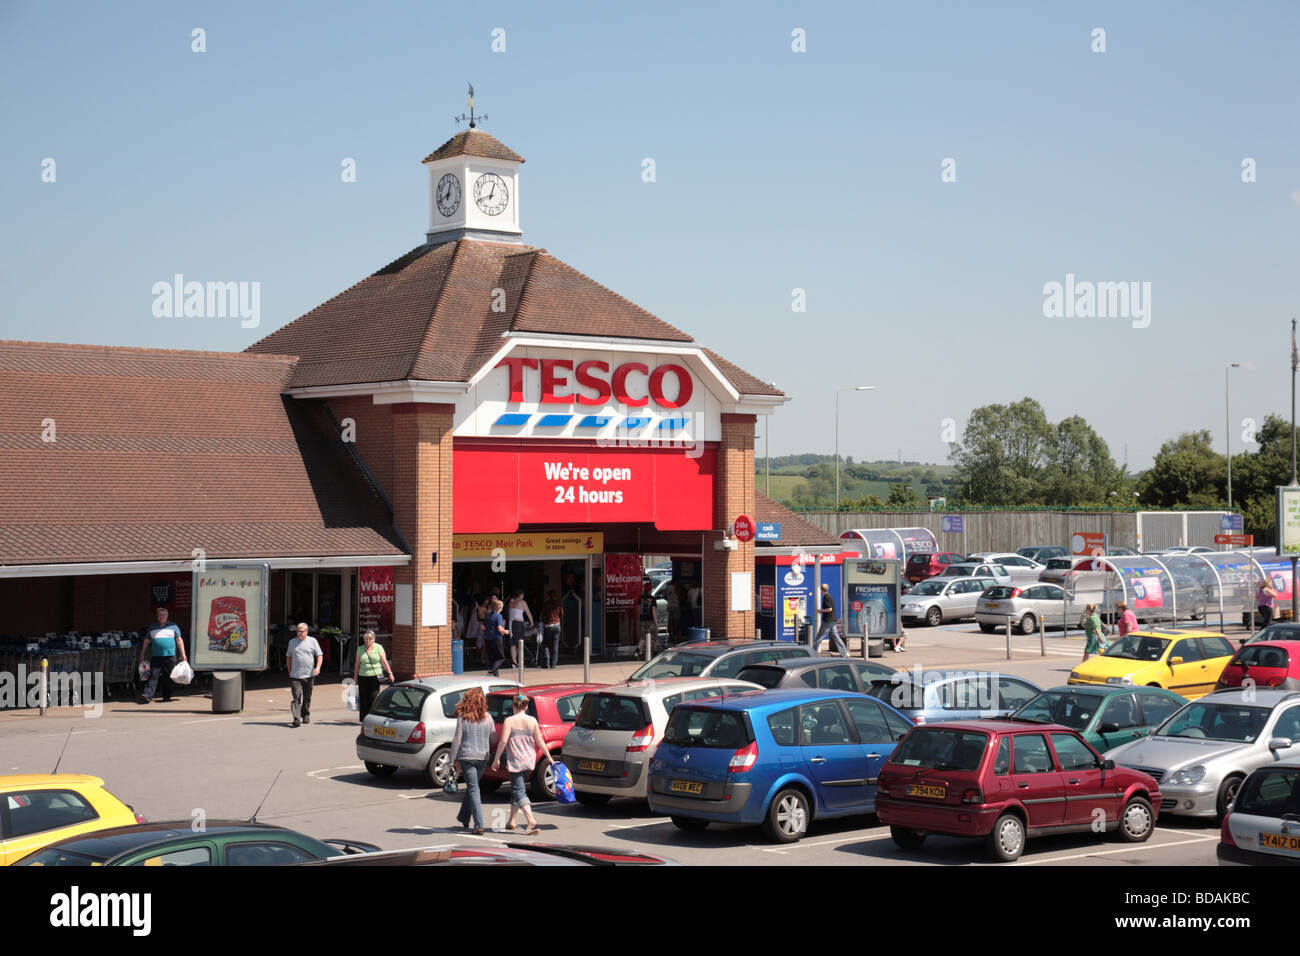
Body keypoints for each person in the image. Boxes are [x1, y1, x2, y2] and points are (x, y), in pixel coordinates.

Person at [490, 692, 555, 835]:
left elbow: (504, 741)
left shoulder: (510, 721)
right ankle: (511, 822)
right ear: (526, 707)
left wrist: (497, 759)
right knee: (516, 789)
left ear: (513, 705)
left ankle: (530, 819)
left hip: (516, 761)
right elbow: (539, 741)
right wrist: (549, 757)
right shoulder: (532, 721)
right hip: (529, 760)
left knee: (519, 791)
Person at [450, 687, 494, 835]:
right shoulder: (488, 717)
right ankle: (463, 816)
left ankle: (479, 825)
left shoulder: (463, 718)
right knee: (473, 788)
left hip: (467, 757)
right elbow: (494, 738)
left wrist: (451, 761)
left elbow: (457, 740)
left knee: (473, 789)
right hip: (482, 757)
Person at [137, 606, 188, 704]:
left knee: (168, 676)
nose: (161, 616)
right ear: (157, 616)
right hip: (156, 656)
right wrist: (142, 654)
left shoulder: (173, 626)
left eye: (163, 615)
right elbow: (146, 641)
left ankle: (166, 696)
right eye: (159, 615)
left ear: (167, 616)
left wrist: (183, 654)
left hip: (170, 655)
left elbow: (179, 640)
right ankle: (147, 696)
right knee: (153, 675)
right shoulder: (152, 627)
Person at [352, 629, 394, 722]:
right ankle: (364, 719)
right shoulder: (360, 649)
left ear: (374, 639)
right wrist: (355, 677)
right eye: (366, 639)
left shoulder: (378, 647)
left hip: (375, 676)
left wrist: (390, 673)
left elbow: (384, 661)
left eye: (370, 639)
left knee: (373, 697)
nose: (368, 641)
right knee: (363, 698)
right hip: (363, 676)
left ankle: (372, 718)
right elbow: (357, 664)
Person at [286, 622, 323, 727]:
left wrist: (318, 667)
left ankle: (305, 714)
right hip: (295, 676)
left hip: (309, 675)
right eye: (297, 631)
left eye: (301, 631)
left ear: (306, 632)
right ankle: (296, 718)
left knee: (307, 697)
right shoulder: (292, 642)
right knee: (296, 697)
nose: (299, 633)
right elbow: (289, 657)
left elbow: (319, 655)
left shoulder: (313, 641)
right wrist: (289, 670)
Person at [815, 583, 846, 656]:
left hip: (828, 620)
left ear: (822, 590)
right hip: (832, 620)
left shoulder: (826, 597)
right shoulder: (830, 596)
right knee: (836, 637)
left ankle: (813, 653)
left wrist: (821, 611)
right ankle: (844, 652)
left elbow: (829, 609)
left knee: (819, 637)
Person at [506, 590, 533, 668]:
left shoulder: (511, 602)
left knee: (513, 644)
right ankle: (519, 662)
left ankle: (514, 662)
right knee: (519, 643)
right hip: (518, 624)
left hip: (511, 624)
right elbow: (528, 613)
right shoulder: (522, 602)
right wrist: (531, 622)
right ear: (520, 595)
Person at [484, 598, 507, 677]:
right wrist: (506, 632)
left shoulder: (487, 615)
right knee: (501, 657)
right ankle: (491, 671)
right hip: (496, 638)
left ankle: (496, 677)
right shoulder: (498, 616)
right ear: (500, 608)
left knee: (492, 658)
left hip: (487, 638)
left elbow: (483, 627)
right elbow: (499, 628)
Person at [540, 591, 562, 669]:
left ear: (549, 596)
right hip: (557, 626)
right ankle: (553, 664)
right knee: (555, 645)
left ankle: (547, 663)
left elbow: (542, 615)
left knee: (546, 645)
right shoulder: (559, 604)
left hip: (548, 626)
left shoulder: (546, 603)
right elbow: (562, 614)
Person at [637, 582, 657, 656]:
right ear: (650, 590)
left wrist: (639, 619)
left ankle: (636, 653)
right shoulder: (652, 599)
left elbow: (638, 610)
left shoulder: (640, 598)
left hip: (643, 620)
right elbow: (653, 610)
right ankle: (655, 653)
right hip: (651, 621)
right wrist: (656, 621)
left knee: (642, 638)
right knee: (654, 637)